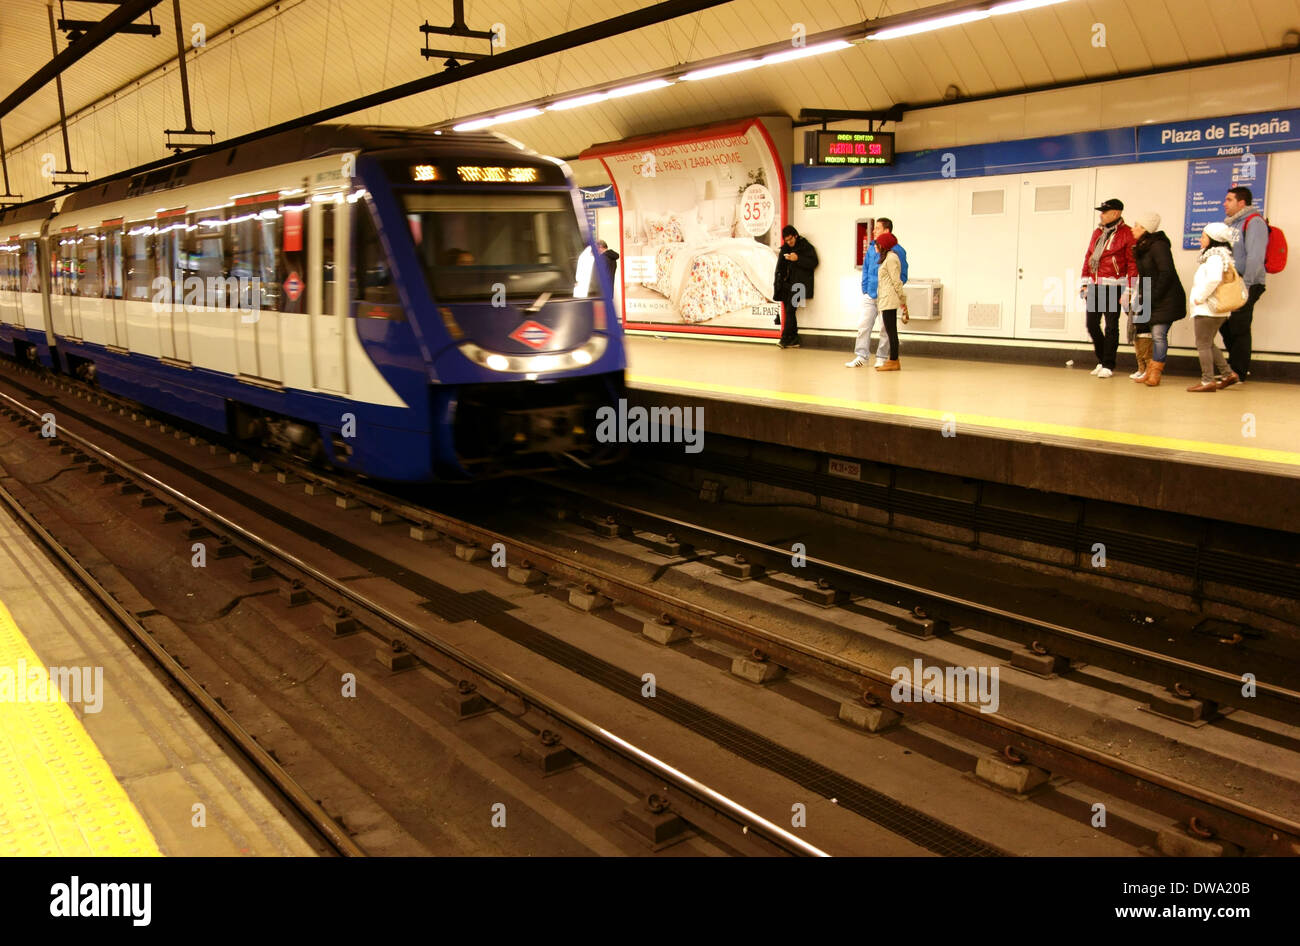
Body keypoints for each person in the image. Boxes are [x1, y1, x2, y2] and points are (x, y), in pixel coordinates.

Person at [1079, 198, 1138, 378]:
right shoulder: (1097, 232)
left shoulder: (1127, 233)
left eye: (1105, 212)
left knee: (1111, 326)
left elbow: (1132, 263)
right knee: (1092, 325)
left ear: (1116, 213)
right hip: (1094, 285)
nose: (1101, 215)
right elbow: (1089, 256)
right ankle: (1102, 359)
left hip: (1114, 287)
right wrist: (1084, 282)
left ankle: (1108, 364)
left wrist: (1129, 290)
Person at [1129, 212, 1186, 387]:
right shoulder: (1142, 247)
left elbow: (1166, 273)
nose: (1133, 229)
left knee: (1159, 335)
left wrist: (1153, 296)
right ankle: (1148, 370)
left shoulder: (1158, 246)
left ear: (1145, 228)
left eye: (1137, 225)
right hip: (1151, 296)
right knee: (1149, 334)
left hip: (1166, 298)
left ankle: (1155, 372)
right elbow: (1145, 275)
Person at [1186, 222, 1241, 393]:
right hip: (1215, 310)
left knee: (1202, 344)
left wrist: (1199, 298)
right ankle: (1227, 374)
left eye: (1203, 236)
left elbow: (1213, 280)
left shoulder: (1215, 257)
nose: (1200, 239)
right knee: (1208, 343)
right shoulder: (1219, 256)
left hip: (1207, 309)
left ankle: (1207, 380)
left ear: (1213, 239)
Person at [846, 217, 908, 368]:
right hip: (870, 294)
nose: (874, 231)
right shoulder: (872, 247)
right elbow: (866, 269)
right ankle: (861, 355)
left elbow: (902, 274)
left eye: (877, 228)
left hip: (886, 296)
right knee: (863, 325)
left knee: (885, 329)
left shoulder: (897, 251)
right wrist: (865, 288)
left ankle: (881, 357)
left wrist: (894, 293)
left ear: (886, 230)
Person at [1220, 186, 1267, 382]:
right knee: (1223, 323)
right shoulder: (1232, 225)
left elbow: (1255, 256)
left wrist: (1245, 286)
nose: (1224, 203)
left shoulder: (1254, 222)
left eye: (1229, 200)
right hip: (1232, 282)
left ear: (1241, 203)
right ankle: (1235, 367)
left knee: (1239, 326)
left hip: (1247, 282)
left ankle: (1238, 371)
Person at [773, 225, 818, 348]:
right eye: (787, 240)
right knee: (789, 312)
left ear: (795, 236)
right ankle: (794, 338)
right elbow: (779, 268)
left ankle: (785, 338)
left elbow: (814, 262)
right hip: (787, 284)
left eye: (791, 239)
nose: (789, 242)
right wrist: (778, 284)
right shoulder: (785, 249)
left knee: (790, 310)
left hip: (799, 285)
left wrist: (797, 259)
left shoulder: (805, 246)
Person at [873, 231, 907, 371]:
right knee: (890, 330)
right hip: (886, 299)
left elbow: (896, 281)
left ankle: (894, 360)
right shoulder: (887, 257)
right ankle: (893, 359)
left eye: (877, 243)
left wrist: (903, 300)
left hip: (890, 299)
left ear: (883, 245)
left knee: (891, 331)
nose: (875, 246)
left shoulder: (892, 258)